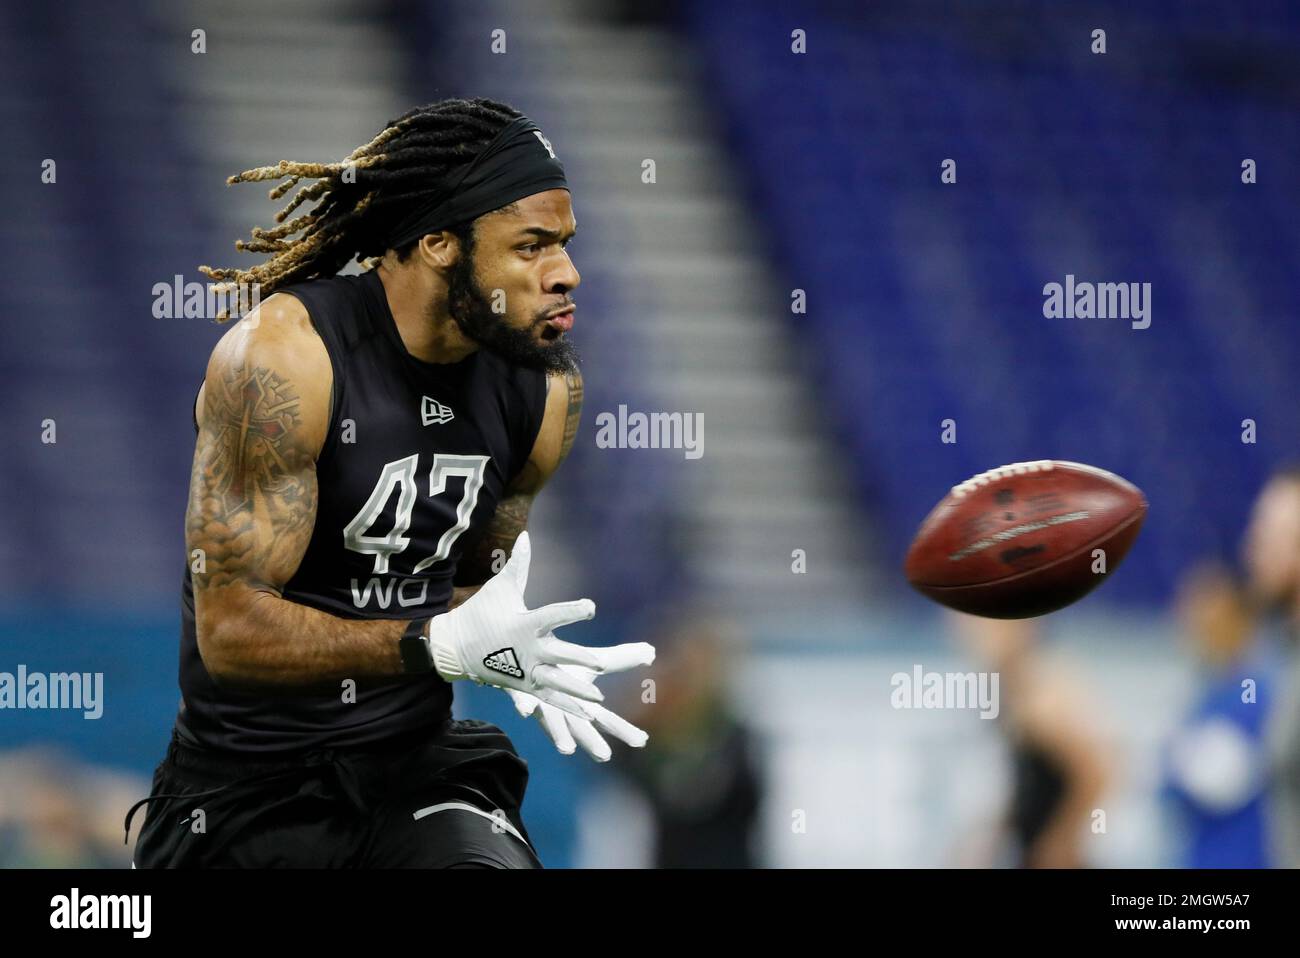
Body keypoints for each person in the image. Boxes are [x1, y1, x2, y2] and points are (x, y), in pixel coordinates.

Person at [128, 97, 654, 868]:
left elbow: (472, 593)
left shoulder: (542, 392)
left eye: (565, 245)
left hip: (414, 771)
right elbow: (233, 632)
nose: (566, 273)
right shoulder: (282, 359)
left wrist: (503, 644)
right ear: (440, 242)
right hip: (241, 792)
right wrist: (432, 644)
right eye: (533, 246)